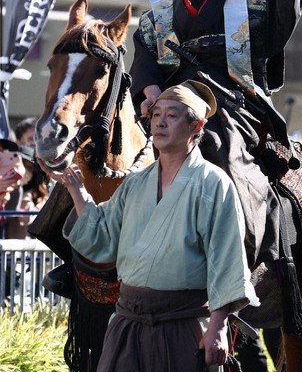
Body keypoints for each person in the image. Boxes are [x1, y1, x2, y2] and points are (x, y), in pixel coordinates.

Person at [129, 0, 302, 268]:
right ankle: (87, 262)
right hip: (166, 107)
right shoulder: (157, 17)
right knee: (102, 153)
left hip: (234, 106)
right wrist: (154, 98)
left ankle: (245, 253)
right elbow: (145, 67)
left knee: (223, 149)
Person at [59, 80, 258, 370]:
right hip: (128, 322)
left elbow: (226, 260)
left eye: (172, 116)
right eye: (156, 115)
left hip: (183, 325)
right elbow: (102, 235)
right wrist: (77, 189)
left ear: (197, 126)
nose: (160, 123)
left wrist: (217, 327)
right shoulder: (136, 183)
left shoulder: (213, 184)